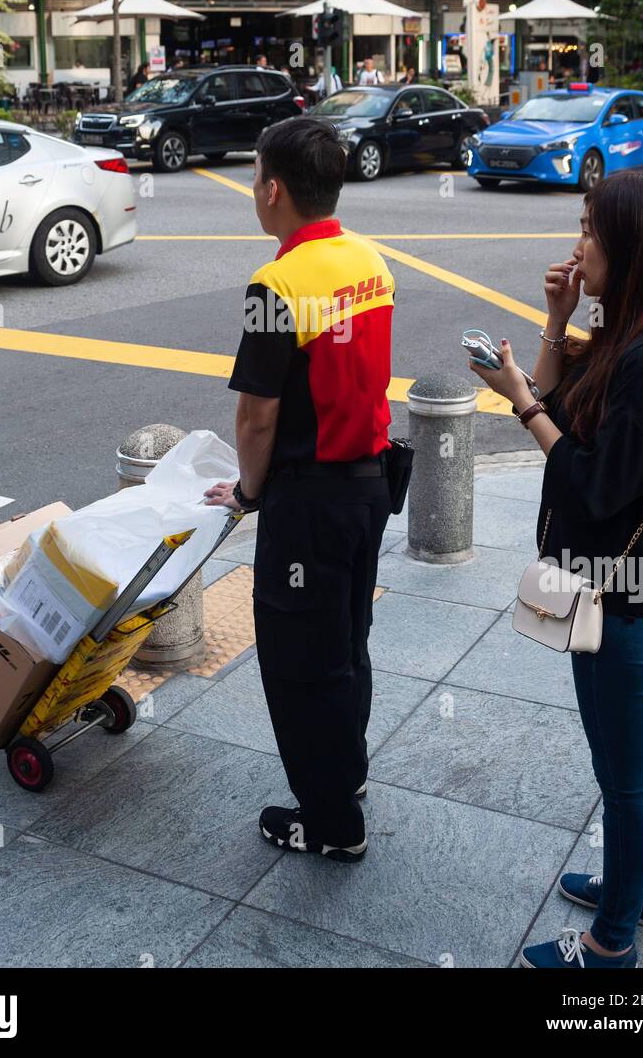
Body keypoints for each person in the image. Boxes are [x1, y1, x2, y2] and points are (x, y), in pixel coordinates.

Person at [469, 170, 643, 970]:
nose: (577, 244)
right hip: (612, 593)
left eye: (588, 229)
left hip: (631, 605)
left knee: (625, 776)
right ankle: (636, 890)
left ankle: (611, 944)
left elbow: (587, 482)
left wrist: (520, 403)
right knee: (640, 758)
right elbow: (555, 395)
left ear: (629, 246)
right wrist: (552, 324)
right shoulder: (628, 336)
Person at [204, 117, 395, 863]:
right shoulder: (369, 259)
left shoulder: (274, 285)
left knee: (296, 658)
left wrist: (248, 494)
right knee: (346, 638)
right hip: (370, 486)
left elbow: (256, 417)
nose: (254, 190)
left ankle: (331, 824)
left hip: (308, 500)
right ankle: (345, 775)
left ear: (273, 189)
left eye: (255, 177)